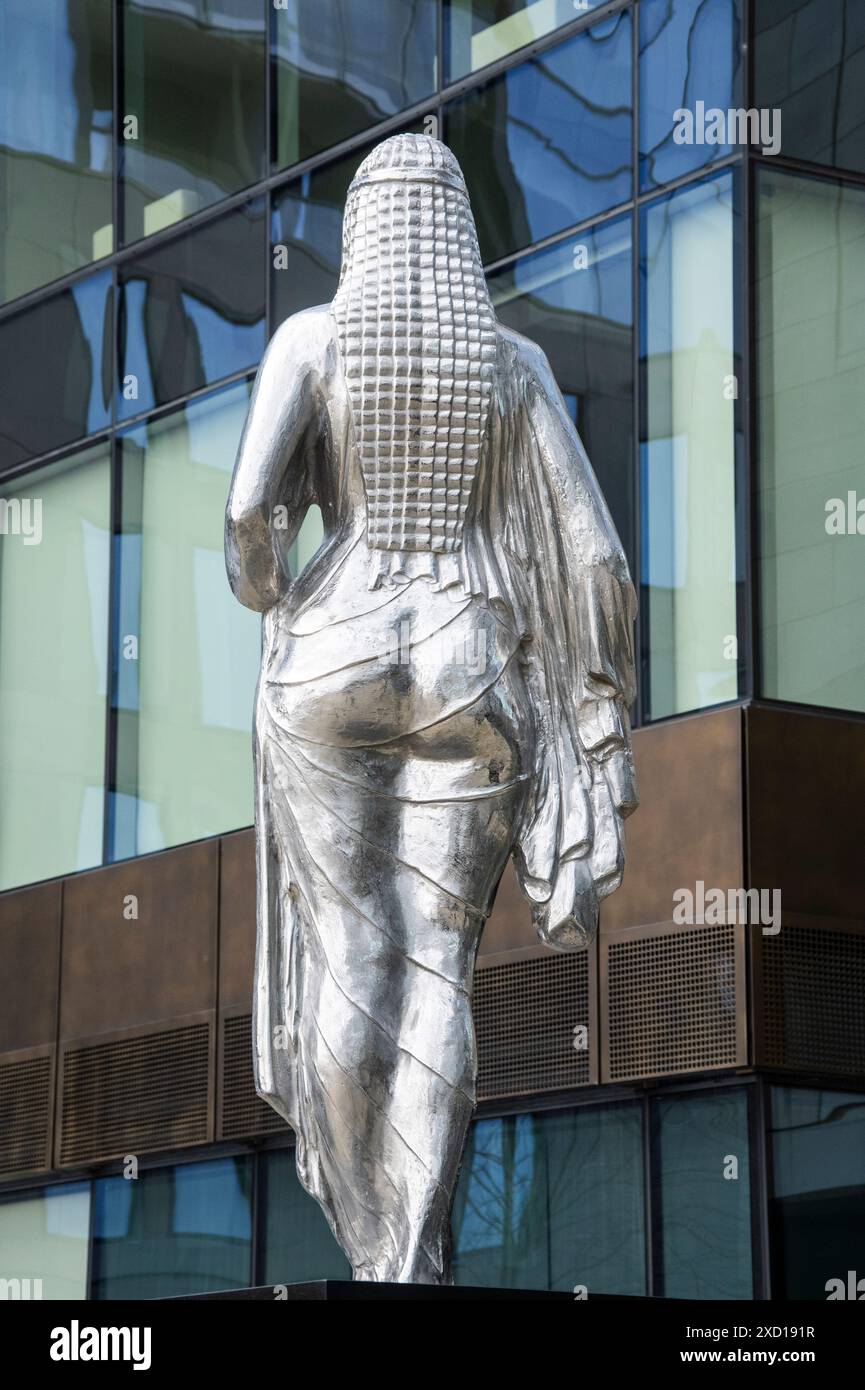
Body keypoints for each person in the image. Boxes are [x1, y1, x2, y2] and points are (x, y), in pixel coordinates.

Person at [225, 134, 637, 1285]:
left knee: (356, 953)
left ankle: (373, 1256)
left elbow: (250, 523)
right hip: (470, 661)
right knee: (438, 972)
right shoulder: (511, 365)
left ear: (362, 231)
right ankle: (414, 1253)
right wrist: (594, 706)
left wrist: (278, 594)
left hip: (332, 663)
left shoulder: (311, 342)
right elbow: (596, 555)